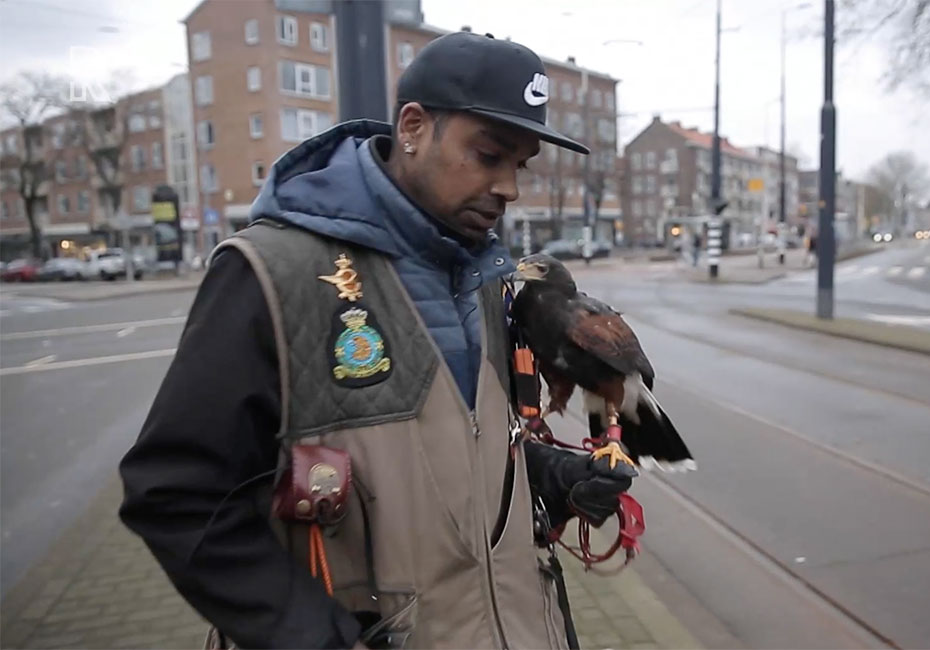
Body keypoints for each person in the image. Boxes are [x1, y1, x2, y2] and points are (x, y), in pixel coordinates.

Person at [118, 31, 633, 650]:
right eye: (488, 155)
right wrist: (310, 635)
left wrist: (548, 477)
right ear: (413, 127)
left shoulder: (486, 278)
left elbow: (450, 450)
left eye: (518, 166)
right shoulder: (270, 271)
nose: (509, 189)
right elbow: (176, 492)